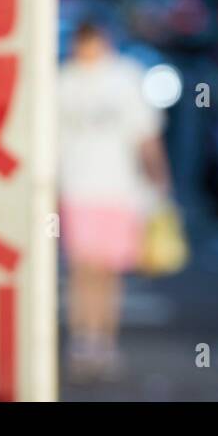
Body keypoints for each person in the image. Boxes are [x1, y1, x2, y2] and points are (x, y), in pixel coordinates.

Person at [58, 20, 171, 382]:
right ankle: (84, 341)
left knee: (106, 270)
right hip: (76, 189)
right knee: (83, 269)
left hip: (119, 190)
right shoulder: (63, 81)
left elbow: (146, 136)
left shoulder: (124, 77)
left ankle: (101, 341)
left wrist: (159, 178)